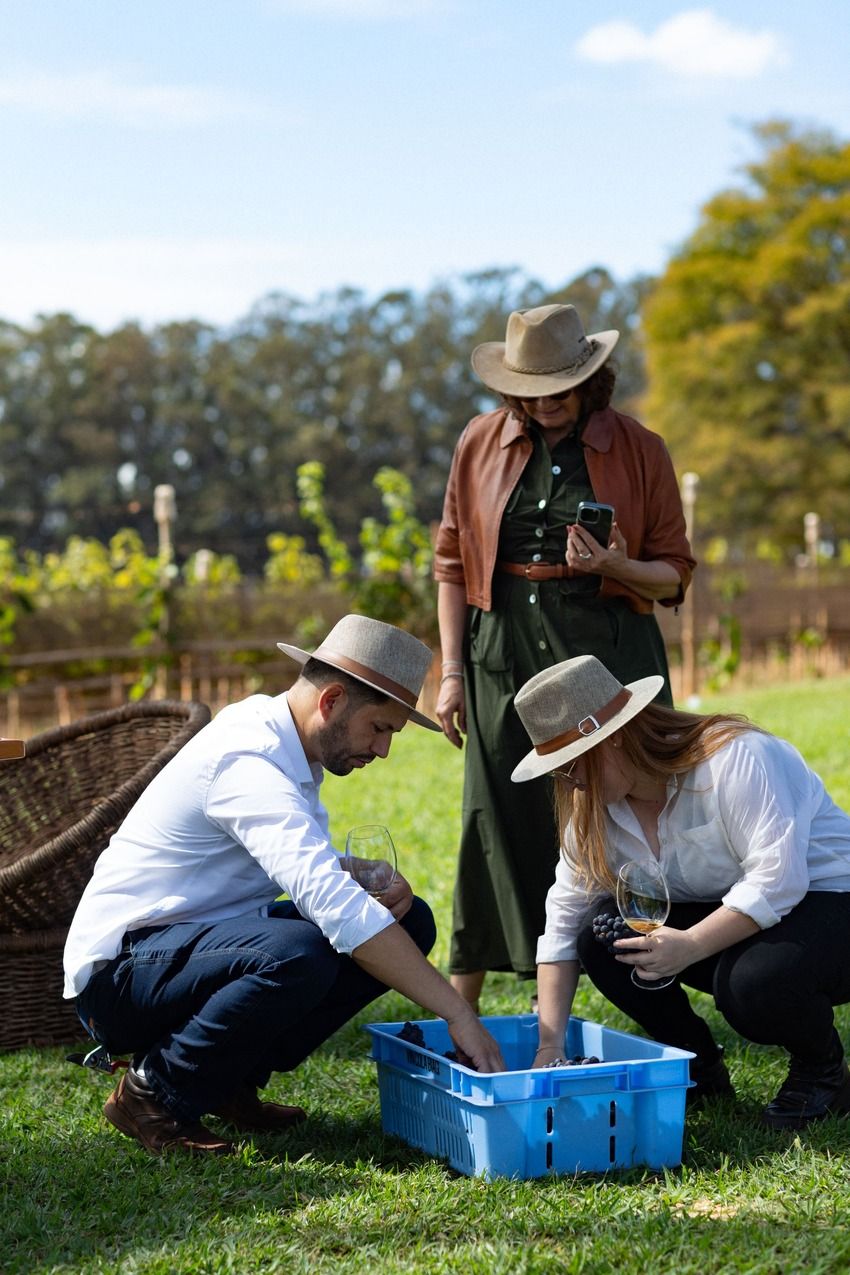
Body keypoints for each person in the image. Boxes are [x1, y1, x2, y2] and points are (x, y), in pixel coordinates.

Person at [63, 615, 505, 1156]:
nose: (385, 749)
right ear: (333, 700)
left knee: (408, 923)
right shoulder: (248, 759)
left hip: (187, 946)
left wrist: (362, 875)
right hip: (122, 974)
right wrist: (458, 1012)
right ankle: (154, 1092)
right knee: (297, 955)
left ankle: (225, 1080)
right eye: (382, 728)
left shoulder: (285, 742)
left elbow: (309, 866)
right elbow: (329, 905)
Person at [433, 302, 695, 1011]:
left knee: (629, 806)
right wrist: (452, 672)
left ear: (590, 378)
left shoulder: (640, 447)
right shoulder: (479, 442)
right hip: (500, 655)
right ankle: (463, 1008)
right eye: (532, 390)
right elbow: (452, 563)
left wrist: (616, 562)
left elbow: (674, 570)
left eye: (561, 387)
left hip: (607, 650)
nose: (545, 404)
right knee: (494, 816)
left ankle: (673, 975)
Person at [511, 653, 850, 1130]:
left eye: (572, 765)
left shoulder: (737, 757)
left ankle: (824, 1071)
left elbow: (778, 881)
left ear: (616, 736)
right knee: (599, 936)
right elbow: (563, 923)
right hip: (740, 909)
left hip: (832, 901)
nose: (571, 784)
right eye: (560, 773)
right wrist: (550, 1047)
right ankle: (696, 1068)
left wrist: (689, 946)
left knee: (753, 983)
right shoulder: (594, 811)